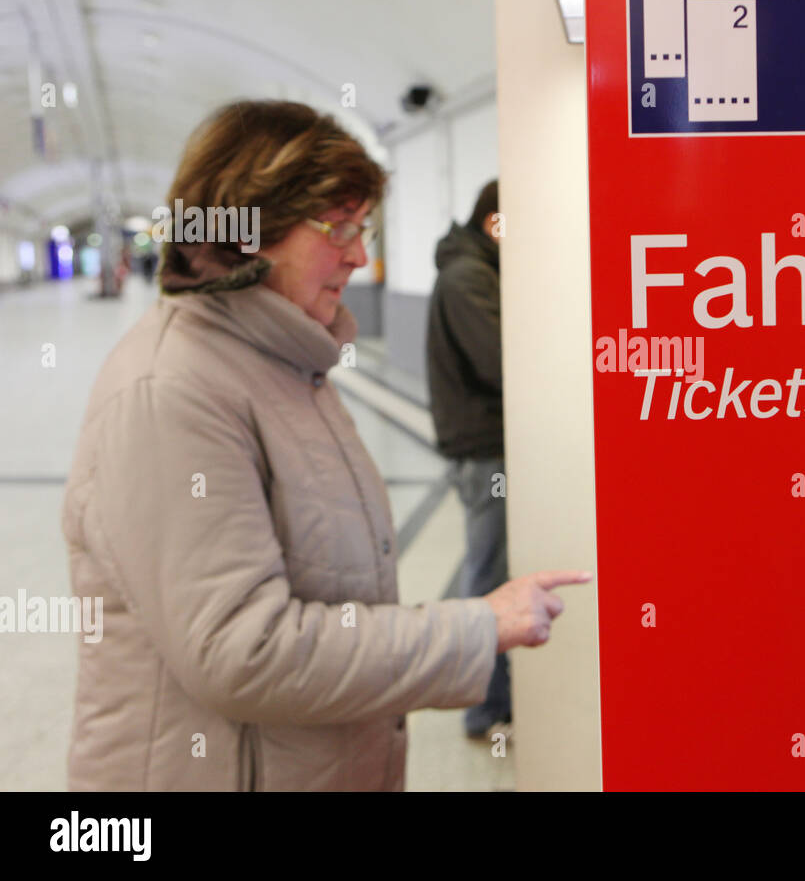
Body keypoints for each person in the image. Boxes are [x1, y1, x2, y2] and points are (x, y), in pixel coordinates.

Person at [60, 101, 589, 791]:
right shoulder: (172, 392)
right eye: (338, 226)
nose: (360, 254)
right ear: (250, 231)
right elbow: (244, 652)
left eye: (361, 226)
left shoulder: (287, 363)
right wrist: (474, 628)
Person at [424, 180, 513, 737]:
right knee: (487, 575)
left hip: (485, 446)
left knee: (494, 567)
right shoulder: (468, 278)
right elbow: (501, 360)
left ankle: (498, 700)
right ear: (494, 225)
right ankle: (484, 710)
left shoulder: (476, 269)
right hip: (484, 451)